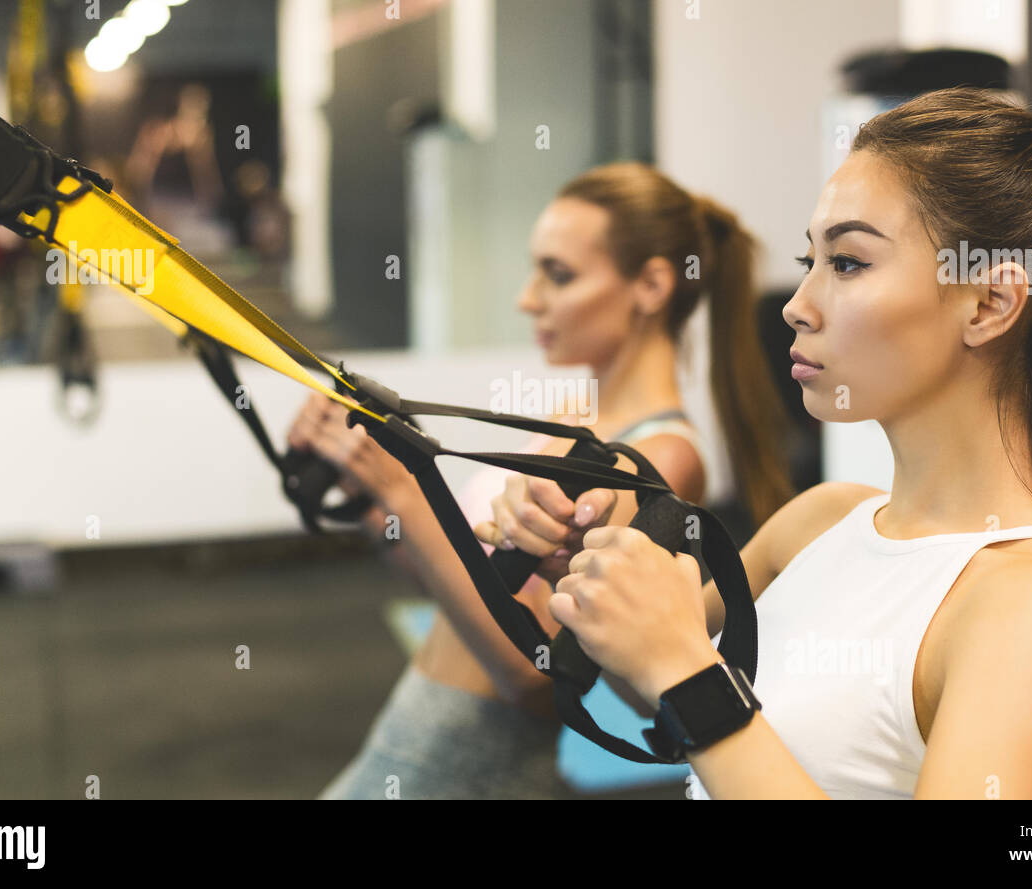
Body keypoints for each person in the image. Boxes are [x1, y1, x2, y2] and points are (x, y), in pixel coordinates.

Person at [488, 88, 1032, 799]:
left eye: (847, 263)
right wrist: (586, 568)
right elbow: (662, 699)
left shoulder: (1027, 603)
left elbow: (693, 688)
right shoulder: (818, 521)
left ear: (989, 303)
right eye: (809, 260)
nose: (795, 305)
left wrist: (686, 669)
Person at [288, 162, 794, 799]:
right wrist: (367, 490)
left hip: (475, 759)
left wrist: (404, 494)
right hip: (418, 720)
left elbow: (535, 671)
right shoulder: (571, 420)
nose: (529, 298)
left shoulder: (659, 453)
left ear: (652, 285)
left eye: (559, 275)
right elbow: (462, 581)